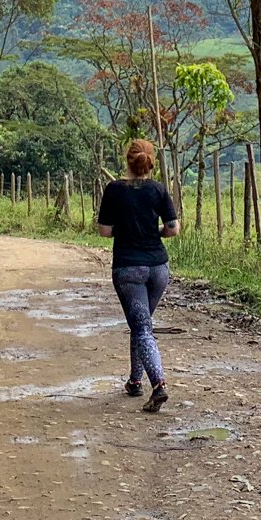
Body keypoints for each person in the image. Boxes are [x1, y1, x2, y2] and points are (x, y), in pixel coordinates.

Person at [95, 138, 180, 413]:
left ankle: (159, 385)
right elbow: (173, 228)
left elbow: (105, 231)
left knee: (141, 325)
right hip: (158, 267)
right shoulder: (158, 190)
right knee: (141, 323)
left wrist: (127, 231)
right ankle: (135, 380)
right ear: (150, 162)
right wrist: (154, 233)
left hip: (129, 267)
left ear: (128, 161)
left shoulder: (114, 190)